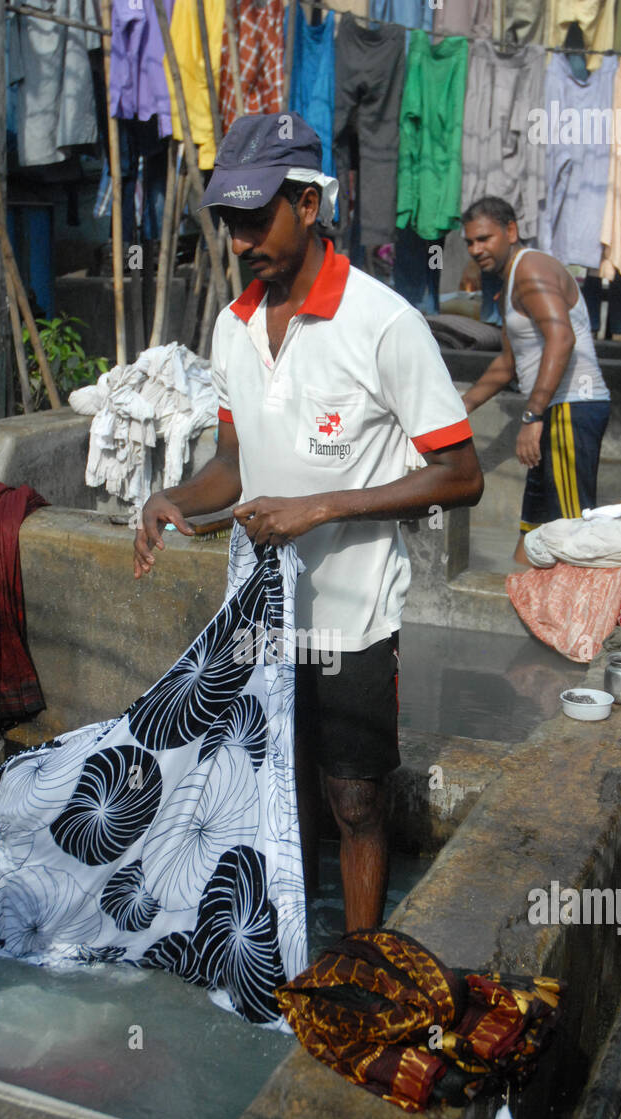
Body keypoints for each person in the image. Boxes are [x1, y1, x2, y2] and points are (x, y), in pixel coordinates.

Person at [134, 113, 483, 935]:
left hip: (352, 614)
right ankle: (287, 948)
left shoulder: (382, 324)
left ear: (309, 204)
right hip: (265, 613)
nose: (241, 240)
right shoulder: (234, 325)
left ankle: (362, 962)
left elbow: (460, 474)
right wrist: (178, 499)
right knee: (276, 781)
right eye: (230, 223)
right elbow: (235, 459)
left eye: (258, 219)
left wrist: (320, 507)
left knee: (355, 798)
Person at [460, 196, 610, 565]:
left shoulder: (532, 270)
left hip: (570, 408)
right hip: (554, 410)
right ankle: (515, 607)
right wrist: (461, 406)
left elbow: (562, 338)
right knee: (534, 534)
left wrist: (531, 416)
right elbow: (508, 363)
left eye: (484, 239)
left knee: (571, 532)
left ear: (511, 231)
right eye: (469, 242)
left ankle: (582, 617)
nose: (476, 250)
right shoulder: (511, 281)